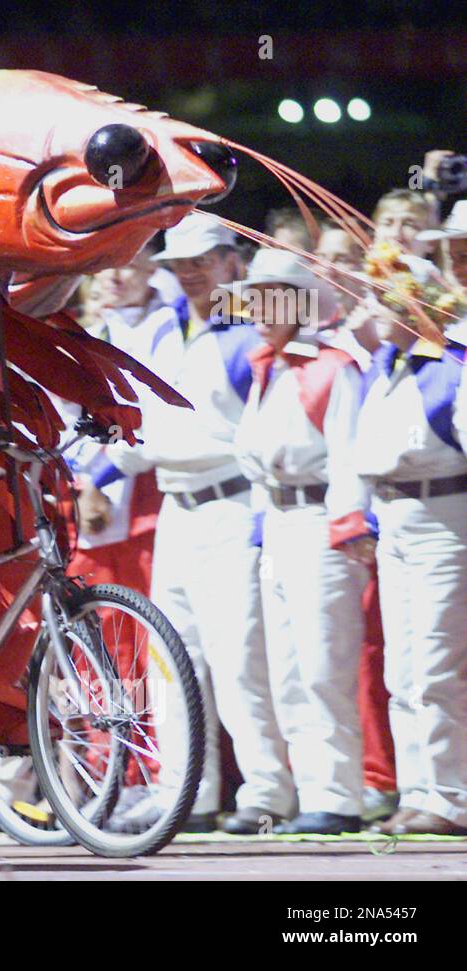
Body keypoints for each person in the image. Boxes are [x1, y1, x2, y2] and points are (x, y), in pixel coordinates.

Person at [82, 214, 293, 833]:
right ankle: (187, 796)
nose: (191, 274)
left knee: (238, 659)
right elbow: (145, 429)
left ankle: (265, 793)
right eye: (181, 265)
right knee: (173, 657)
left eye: (203, 262)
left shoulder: (250, 333)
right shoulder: (167, 330)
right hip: (179, 506)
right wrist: (99, 476)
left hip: (234, 504)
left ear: (233, 264)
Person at [229, 250, 370, 835]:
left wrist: (347, 530)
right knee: (285, 670)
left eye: (267, 298)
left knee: (320, 665)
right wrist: (262, 531)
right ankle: (304, 793)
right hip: (281, 525)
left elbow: (347, 457)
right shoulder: (269, 366)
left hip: (320, 525)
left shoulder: (333, 367)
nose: (253, 311)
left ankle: (336, 795)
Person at [354, 295, 467, 836]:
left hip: (444, 516)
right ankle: (419, 790)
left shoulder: (451, 367)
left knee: (437, 666)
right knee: (402, 669)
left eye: (385, 302)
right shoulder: (385, 368)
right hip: (394, 515)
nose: (372, 311)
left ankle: (452, 796)